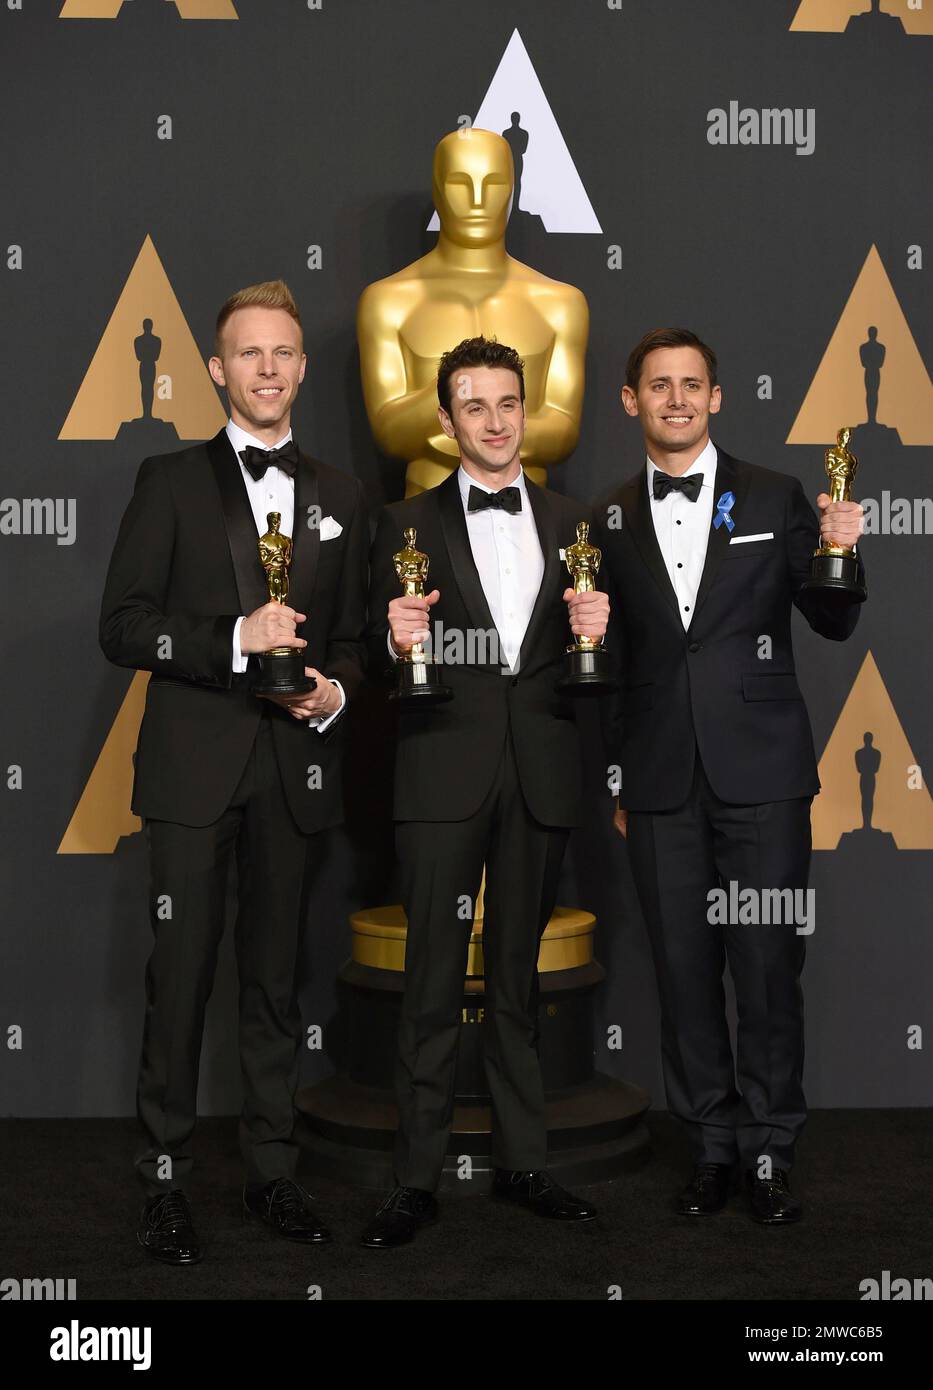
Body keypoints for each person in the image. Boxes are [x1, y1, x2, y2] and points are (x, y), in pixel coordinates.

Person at [100, 280, 368, 1263]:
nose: (267, 369)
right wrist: (234, 641)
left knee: (275, 984)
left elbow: (351, 642)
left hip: (294, 772)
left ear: (301, 367)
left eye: (283, 353)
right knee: (180, 978)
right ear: (218, 370)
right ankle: (164, 1176)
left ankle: (273, 1172)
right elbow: (121, 625)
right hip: (191, 770)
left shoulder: (342, 494)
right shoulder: (168, 480)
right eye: (248, 354)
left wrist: (332, 693)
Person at [599, 327, 865, 1225]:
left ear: (716, 397)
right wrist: (614, 781)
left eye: (692, 384)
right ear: (629, 400)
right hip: (660, 780)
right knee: (681, 970)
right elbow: (608, 660)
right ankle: (709, 1147)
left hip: (763, 780)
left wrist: (840, 548)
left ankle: (770, 1148)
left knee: (765, 964)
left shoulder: (777, 493)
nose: (675, 399)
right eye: (658, 385)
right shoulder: (602, 520)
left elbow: (827, 619)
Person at [361, 335, 608, 1247]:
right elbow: (372, 653)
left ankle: (525, 1161)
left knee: (517, 980)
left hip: (540, 770)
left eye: (509, 404)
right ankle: (415, 1178)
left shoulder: (578, 524)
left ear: (526, 410)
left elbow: (593, 662)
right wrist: (393, 640)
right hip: (439, 770)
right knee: (429, 978)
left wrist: (600, 630)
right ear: (445, 418)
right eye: (475, 406)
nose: (495, 422)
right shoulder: (400, 526)